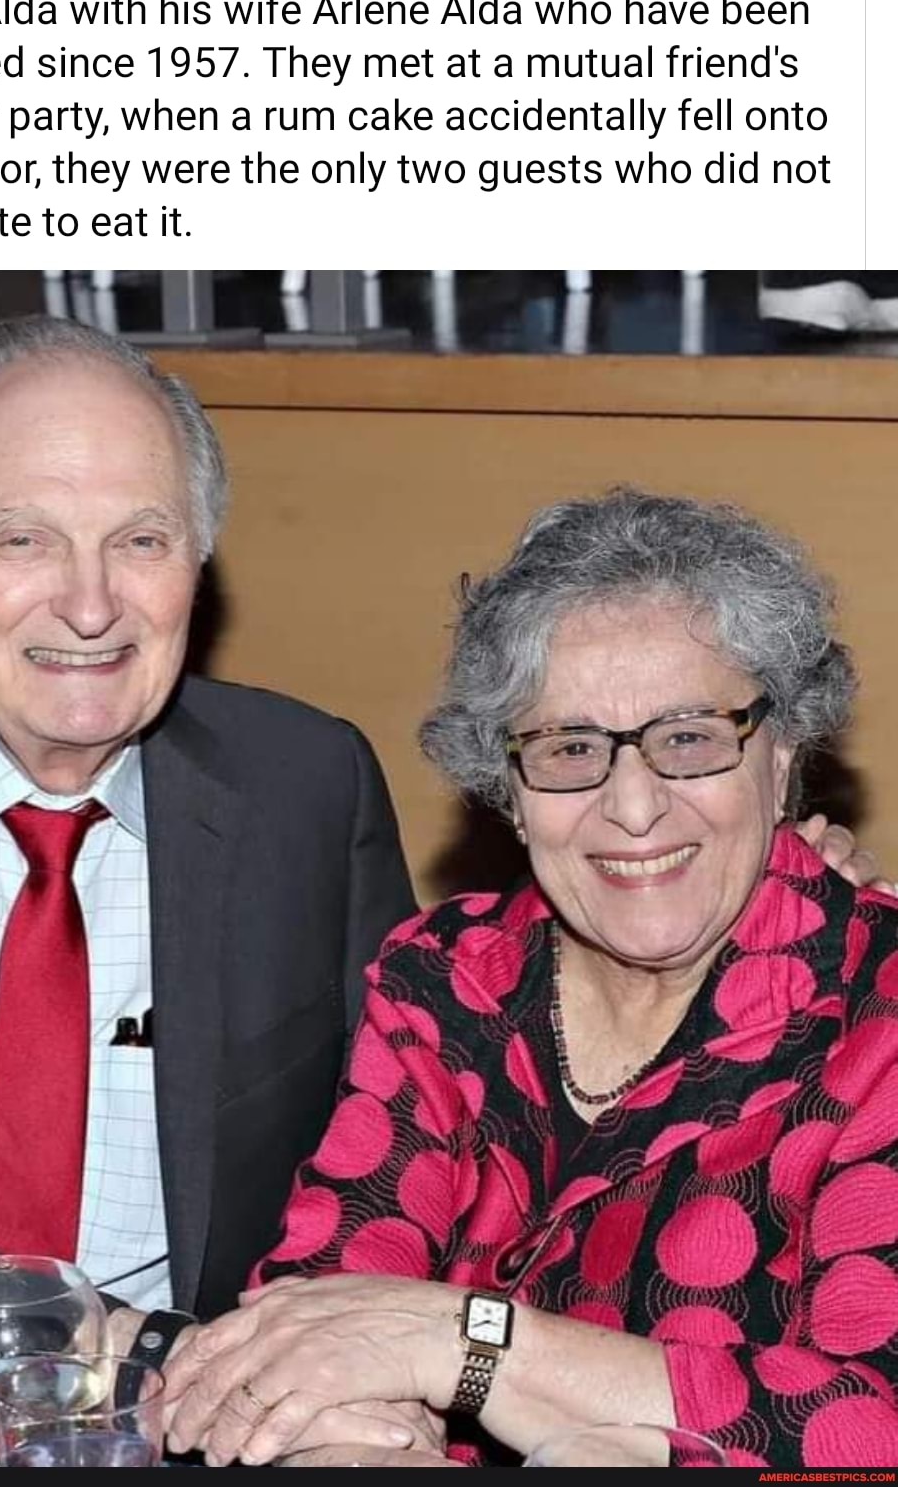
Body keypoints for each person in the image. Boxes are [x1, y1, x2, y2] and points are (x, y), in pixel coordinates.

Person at [164, 488, 898, 1470]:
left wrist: (462, 1342)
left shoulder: (875, 1013)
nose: (632, 806)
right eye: (570, 749)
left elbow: (868, 1423)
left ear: (781, 759)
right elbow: (317, 1318)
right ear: (509, 792)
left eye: (689, 739)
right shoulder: (446, 979)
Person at [0, 315, 415, 1452]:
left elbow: (400, 1139)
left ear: (200, 562)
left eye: (141, 541)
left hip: (199, 1425)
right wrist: (87, 1342)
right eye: (25, 541)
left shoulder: (305, 788)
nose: (90, 607)